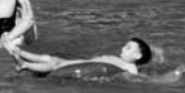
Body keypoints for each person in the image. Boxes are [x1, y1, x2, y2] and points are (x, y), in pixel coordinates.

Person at [12, 37, 160, 78]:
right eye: (124, 45)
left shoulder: (131, 67)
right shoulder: (123, 61)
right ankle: (22, 53)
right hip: (83, 62)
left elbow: (134, 76)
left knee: (55, 64)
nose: (122, 48)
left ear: (137, 55)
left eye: (128, 48)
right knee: (51, 59)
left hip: (83, 66)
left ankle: (25, 65)